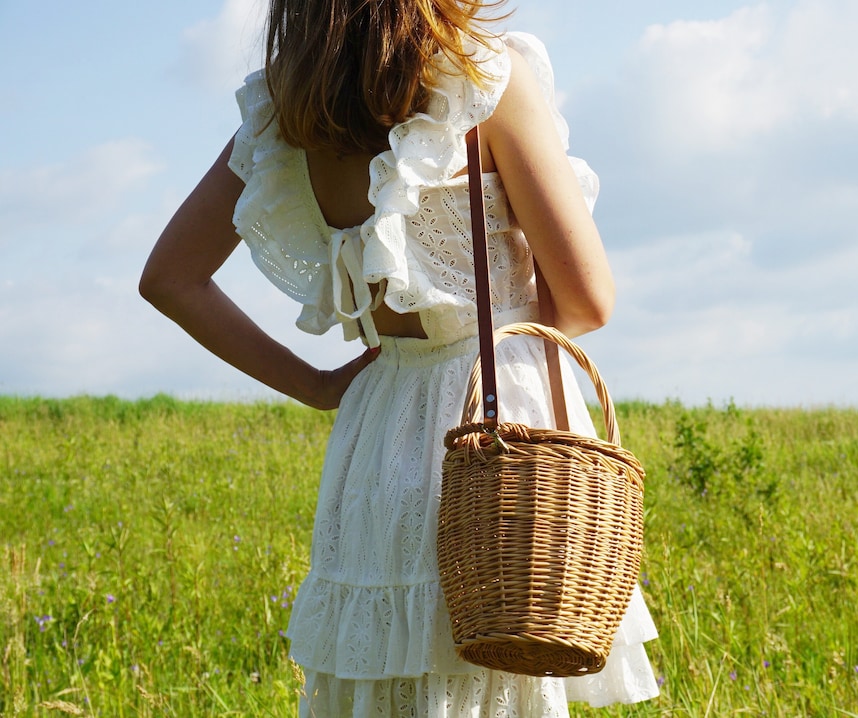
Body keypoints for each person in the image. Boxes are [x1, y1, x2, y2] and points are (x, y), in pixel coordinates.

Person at [140, 0, 659, 715]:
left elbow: (170, 278)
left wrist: (317, 384)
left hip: (379, 429)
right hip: (496, 424)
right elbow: (587, 302)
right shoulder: (483, 80)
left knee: (388, 683)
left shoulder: (287, 111)